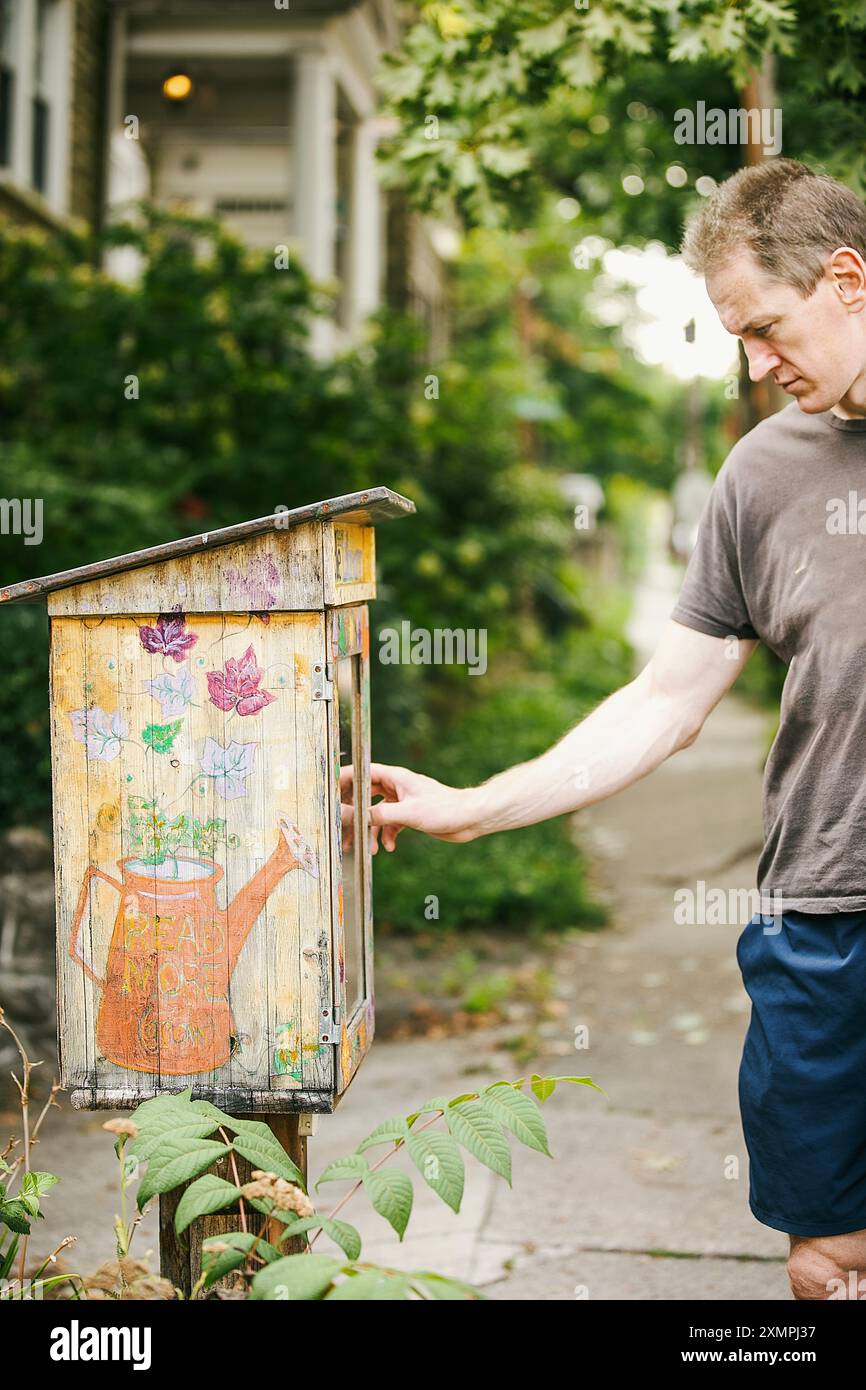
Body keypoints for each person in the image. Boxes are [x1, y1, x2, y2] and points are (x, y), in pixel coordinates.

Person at [341, 159, 866, 1301]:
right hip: (823, 931)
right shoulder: (760, 478)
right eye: (734, 338)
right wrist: (476, 808)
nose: (752, 364)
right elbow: (664, 701)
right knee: (827, 1264)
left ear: (845, 280)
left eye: (765, 328)